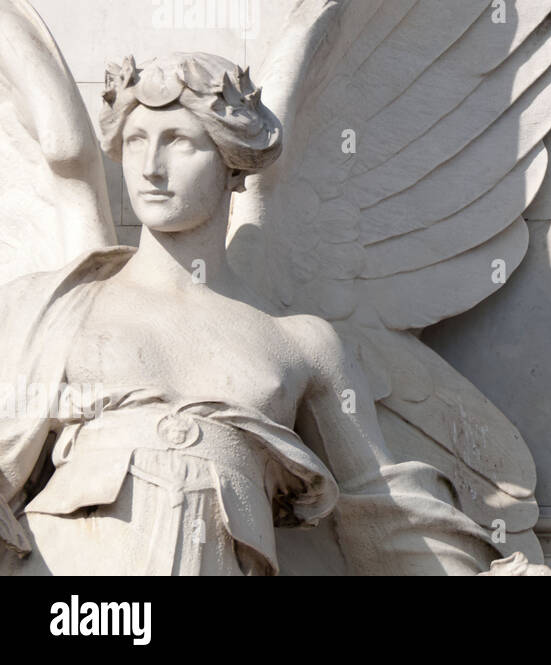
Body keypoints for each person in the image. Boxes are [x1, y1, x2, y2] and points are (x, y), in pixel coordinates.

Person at [0, 53, 505, 575]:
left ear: (230, 160)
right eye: (135, 141)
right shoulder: (60, 305)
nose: (150, 165)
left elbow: (385, 509)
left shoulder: (300, 343)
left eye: (178, 141)